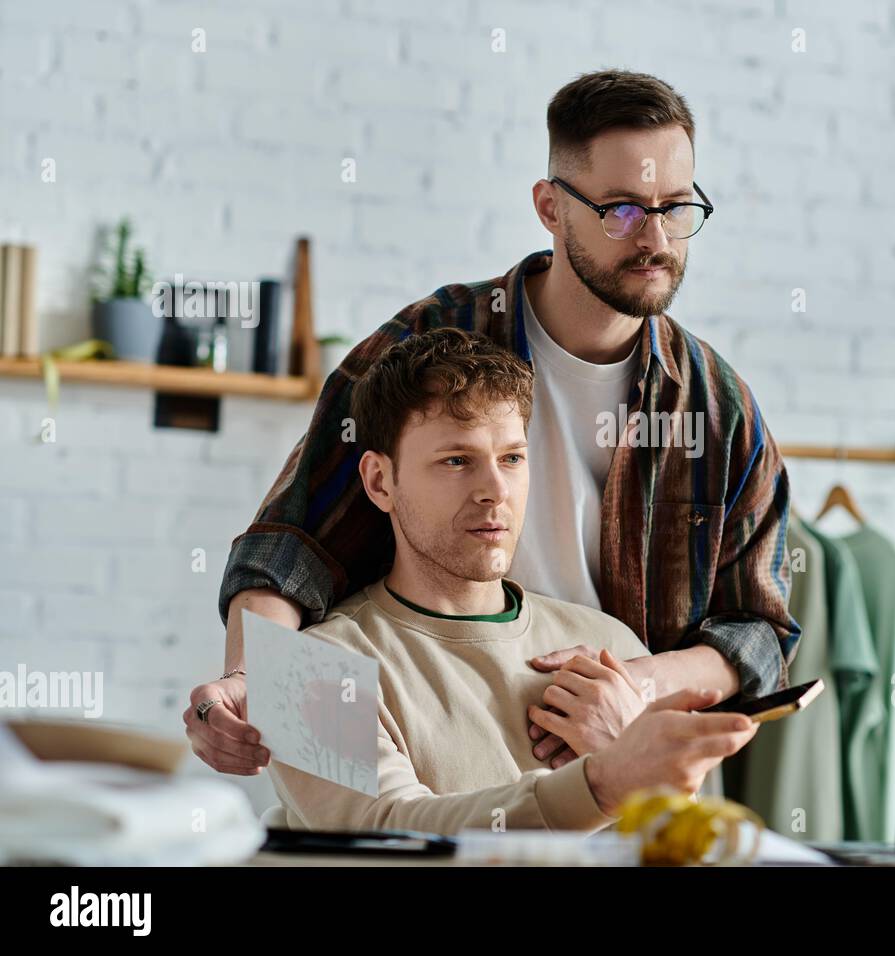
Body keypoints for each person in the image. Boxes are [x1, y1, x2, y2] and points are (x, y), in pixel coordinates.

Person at [186, 68, 797, 778]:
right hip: (436, 733)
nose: (655, 239)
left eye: (676, 207)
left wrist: (640, 683)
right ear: (549, 205)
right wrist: (248, 678)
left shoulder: (720, 410)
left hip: (630, 761)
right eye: (622, 210)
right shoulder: (428, 343)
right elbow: (292, 545)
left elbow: (760, 631)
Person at [268, 327, 757, 832]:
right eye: (457, 461)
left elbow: (678, 846)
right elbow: (388, 837)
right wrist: (603, 783)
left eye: (512, 458)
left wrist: (652, 783)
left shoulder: (610, 648)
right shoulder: (308, 672)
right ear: (379, 481)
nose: (495, 490)